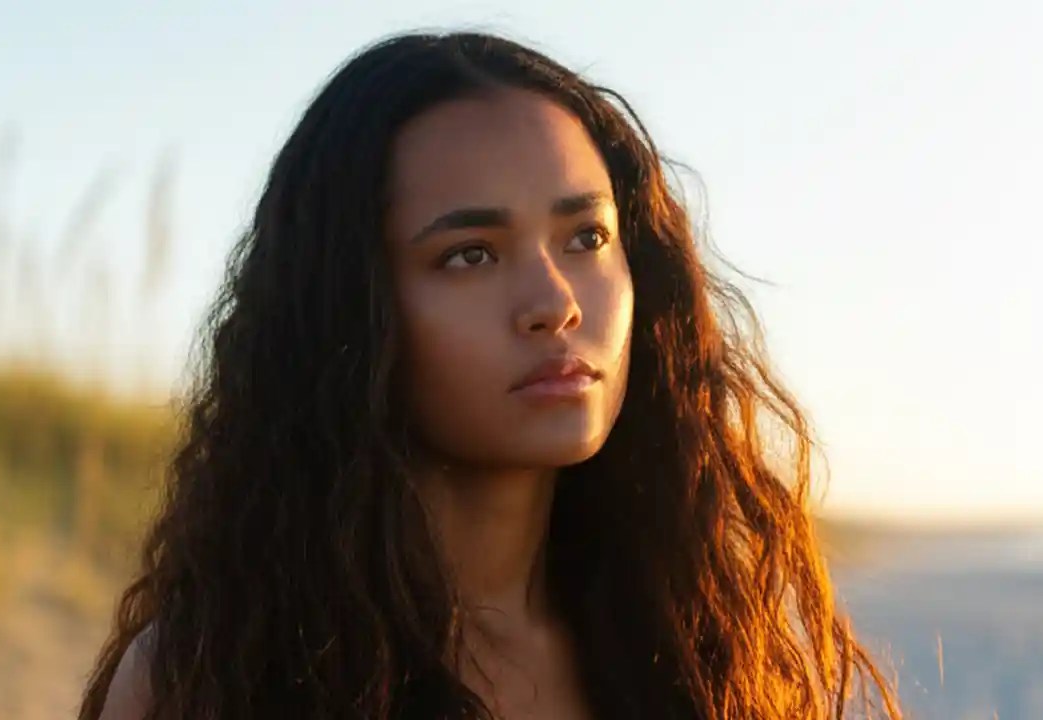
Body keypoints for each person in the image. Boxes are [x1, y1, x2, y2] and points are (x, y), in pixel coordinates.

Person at [79, 30, 902, 720]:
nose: (554, 303)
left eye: (586, 239)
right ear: (351, 308)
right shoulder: (209, 677)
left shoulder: (694, 643)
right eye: (469, 255)